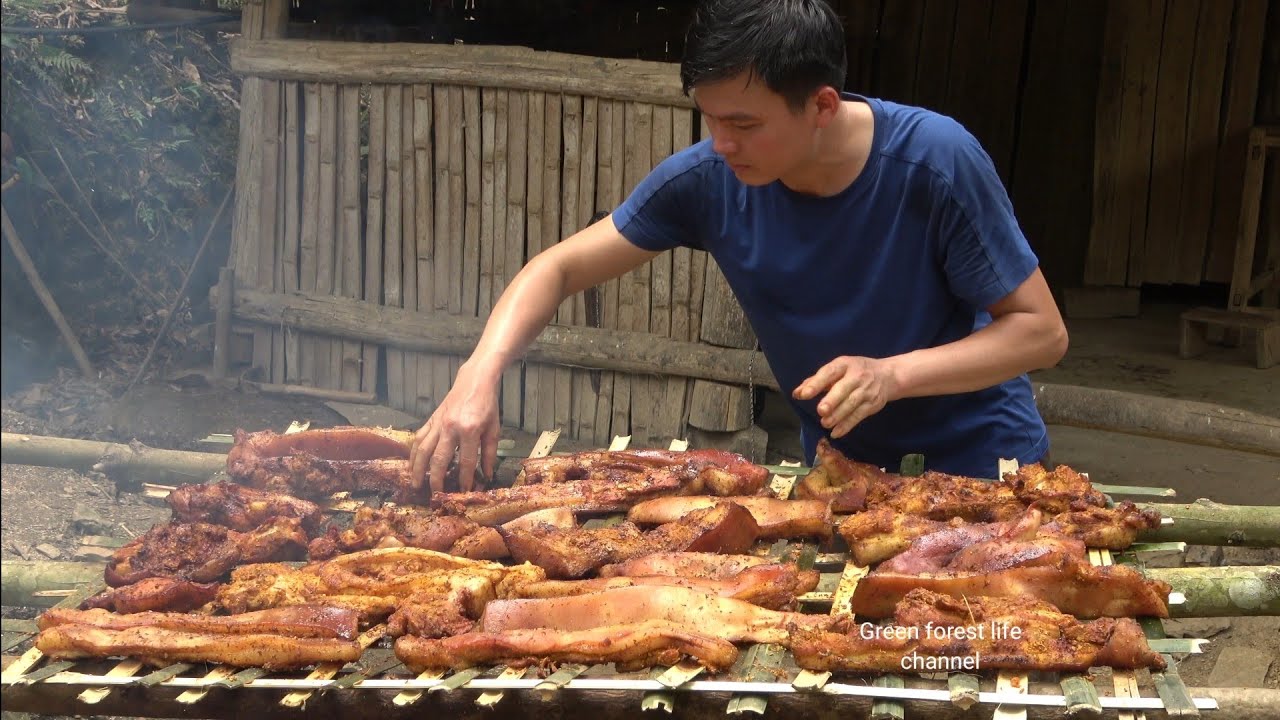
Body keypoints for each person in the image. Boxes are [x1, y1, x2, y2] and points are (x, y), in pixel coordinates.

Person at [409, 0, 1068, 493]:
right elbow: (555, 268)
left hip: (984, 467)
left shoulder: (936, 162)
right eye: (711, 119)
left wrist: (892, 375)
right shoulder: (709, 178)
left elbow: (1041, 333)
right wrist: (479, 374)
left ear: (822, 106)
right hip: (842, 474)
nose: (722, 144)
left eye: (744, 124)